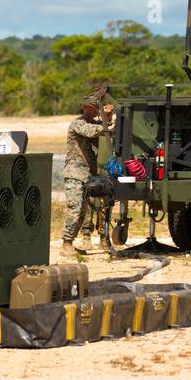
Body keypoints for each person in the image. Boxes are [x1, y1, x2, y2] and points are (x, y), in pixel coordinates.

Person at [60, 92, 118, 257]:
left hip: (85, 175)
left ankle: (69, 242)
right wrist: (107, 125)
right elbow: (92, 131)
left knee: (83, 211)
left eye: (96, 109)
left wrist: (109, 119)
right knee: (75, 208)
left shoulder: (93, 123)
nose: (95, 112)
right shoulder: (78, 124)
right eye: (93, 109)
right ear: (86, 108)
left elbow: (105, 135)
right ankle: (66, 244)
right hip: (74, 173)